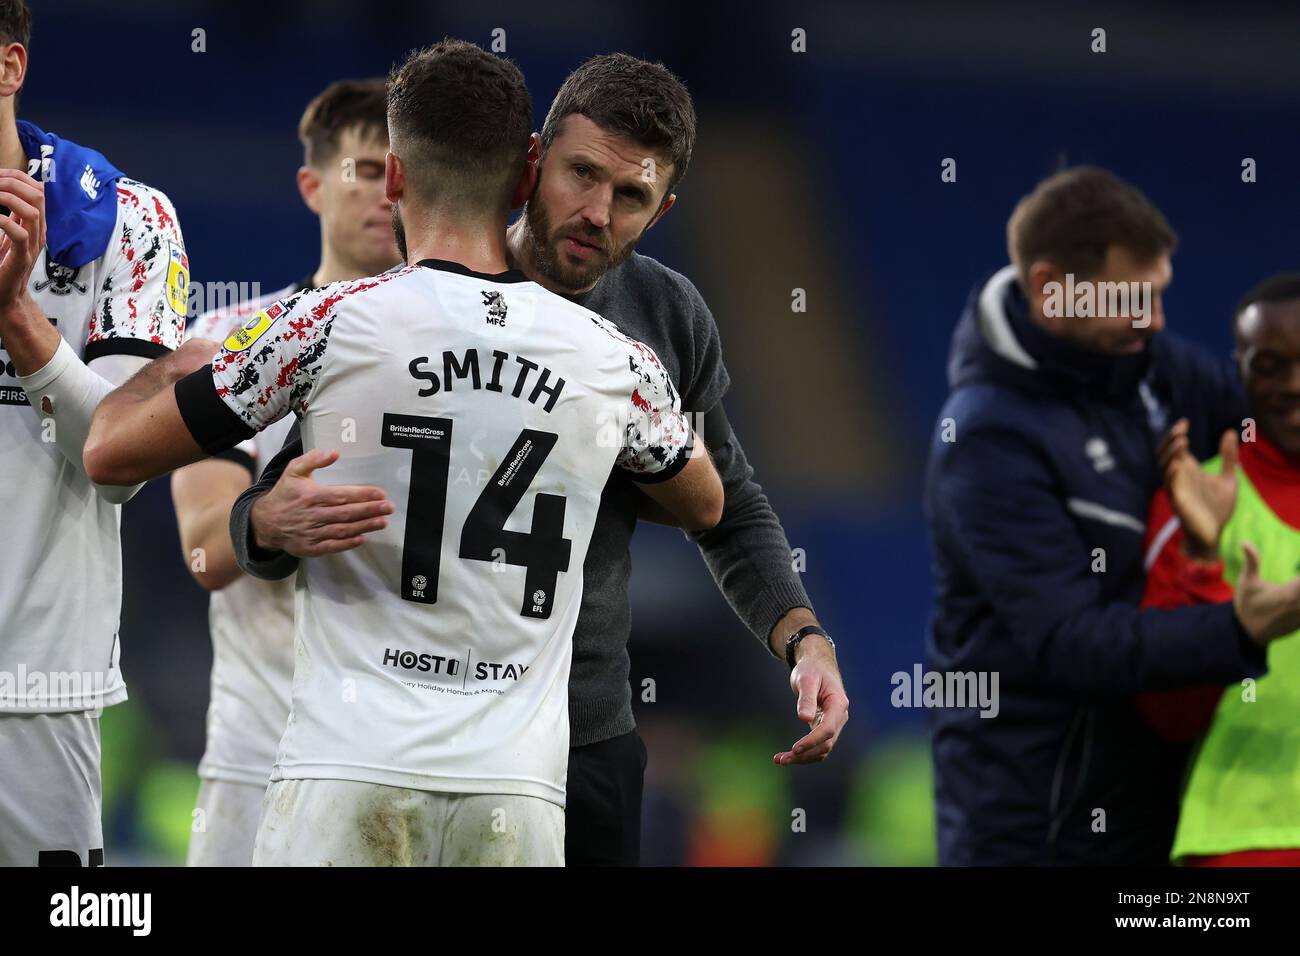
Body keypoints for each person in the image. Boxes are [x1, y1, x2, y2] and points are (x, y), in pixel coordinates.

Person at [83, 38, 722, 866]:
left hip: (350, 775)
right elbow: (705, 503)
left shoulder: (325, 324)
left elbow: (107, 454)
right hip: (517, 795)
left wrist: (164, 366)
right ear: (527, 174)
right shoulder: (616, 361)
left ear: (395, 179)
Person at [228, 52, 850, 866]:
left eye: (630, 195)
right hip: (402, 739)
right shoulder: (412, 297)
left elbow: (727, 509)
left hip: (582, 737)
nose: (596, 211)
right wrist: (261, 526)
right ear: (531, 162)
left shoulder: (666, 317)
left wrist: (804, 638)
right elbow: (273, 506)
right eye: (581, 174)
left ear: (662, 210)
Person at [924, 166, 1300, 865]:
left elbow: (1276, 425)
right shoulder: (985, 440)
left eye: (1159, 296)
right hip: (1036, 827)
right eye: (1134, 298)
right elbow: (1074, 642)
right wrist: (1239, 628)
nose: (1155, 320)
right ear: (1049, 287)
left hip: (1152, 807)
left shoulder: (1150, 368)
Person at [174, 77, 399, 866]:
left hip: (410, 768)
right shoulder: (232, 336)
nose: (388, 194)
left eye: (405, 175)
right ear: (312, 185)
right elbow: (203, 549)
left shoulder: (467, 353)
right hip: (259, 760)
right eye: (366, 171)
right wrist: (265, 520)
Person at [0, 0, 189, 866]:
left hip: (32, 693)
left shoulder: (127, 222)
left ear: (9, 68)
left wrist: (18, 320)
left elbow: (120, 468)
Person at [1136, 272, 1300, 865]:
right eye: (1269, 365)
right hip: (1246, 842)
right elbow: (1168, 717)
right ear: (1240, 369)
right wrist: (1205, 562)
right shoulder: (1195, 501)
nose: (1294, 385)